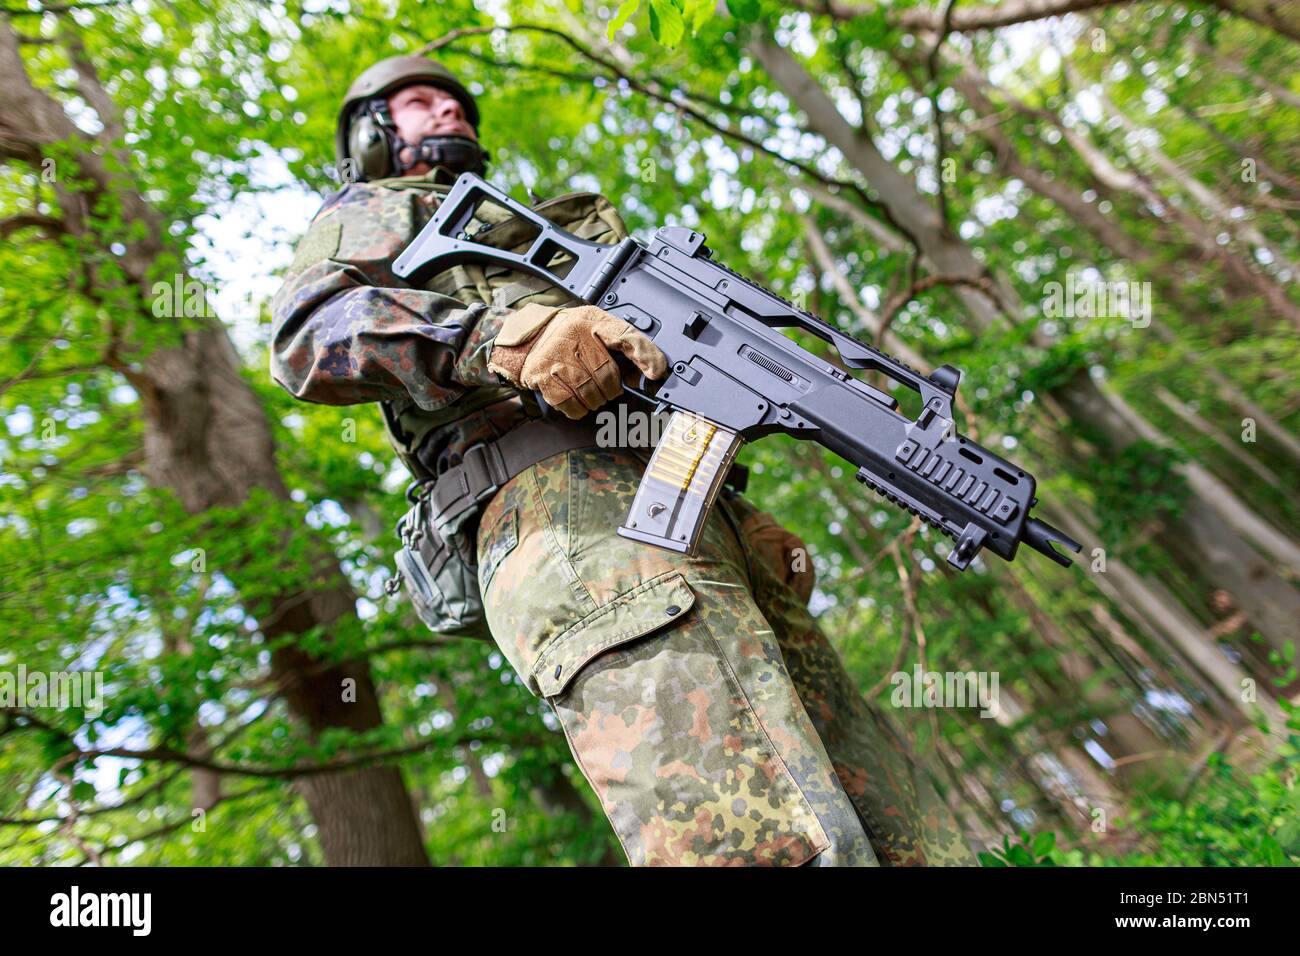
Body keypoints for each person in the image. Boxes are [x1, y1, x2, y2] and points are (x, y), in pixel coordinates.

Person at [270, 54, 978, 867]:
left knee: (895, 830)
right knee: (758, 838)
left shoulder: (543, 233)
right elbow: (310, 335)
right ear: (370, 134)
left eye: (458, 104)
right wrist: (503, 337)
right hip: (558, 513)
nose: (450, 114)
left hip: (685, 514)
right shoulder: (376, 208)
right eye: (422, 103)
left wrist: (745, 518)